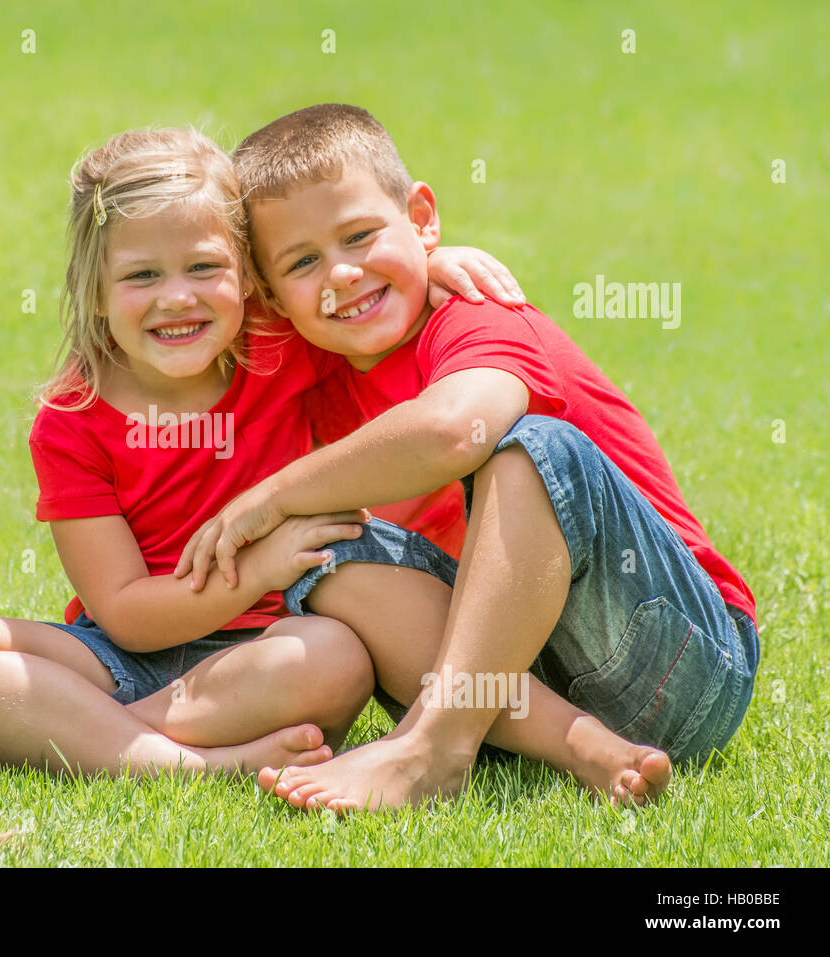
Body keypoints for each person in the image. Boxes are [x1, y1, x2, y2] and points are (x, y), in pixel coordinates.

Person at [176, 104, 759, 811]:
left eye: (361, 236)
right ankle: (577, 743)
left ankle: (434, 748)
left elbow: (454, 430)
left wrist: (272, 493)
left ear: (422, 218)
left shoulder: (478, 314)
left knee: (532, 449)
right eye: (303, 261)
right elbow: (183, 311)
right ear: (271, 292)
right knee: (321, 545)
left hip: (685, 658)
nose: (343, 274)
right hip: (518, 672)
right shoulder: (310, 355)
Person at [0, 126, 519, 778]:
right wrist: (258, 569)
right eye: (142, 275)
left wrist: (430, 262)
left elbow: (359, 301)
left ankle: (70, 733)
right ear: (95, 291)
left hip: (263, 656)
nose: (177, 297)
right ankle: (190, 763)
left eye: (204, 267)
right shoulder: (70, 421)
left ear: (247, 275)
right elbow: (128, 614)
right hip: (117, 660)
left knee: (337, 657)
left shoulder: (279, 346)